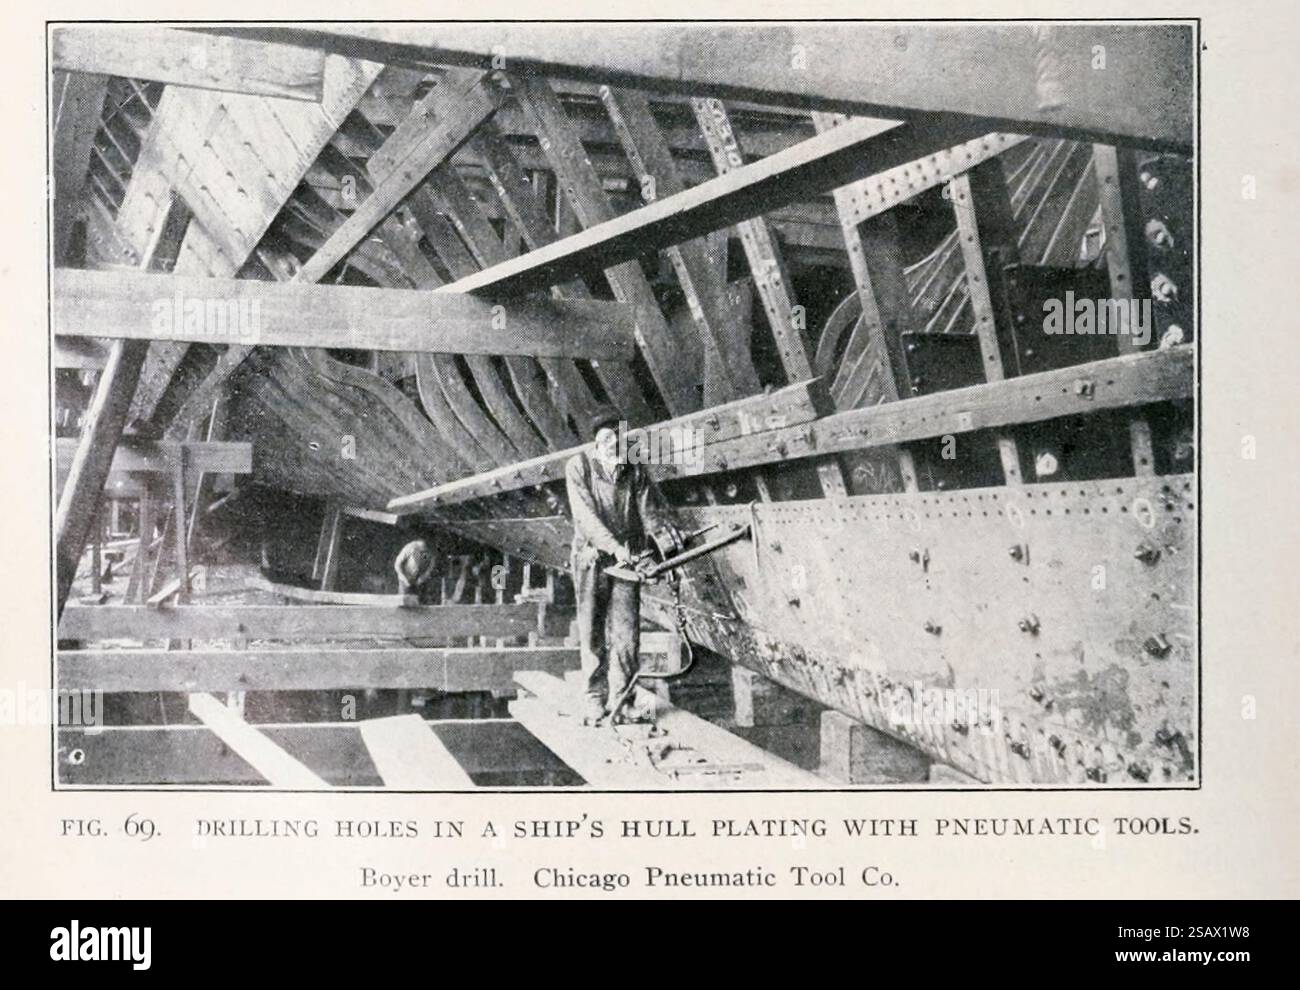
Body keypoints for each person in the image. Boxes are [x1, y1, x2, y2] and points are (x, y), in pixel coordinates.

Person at [566, 406, 676, 724]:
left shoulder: (634, 470)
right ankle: (594, 699)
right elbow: (585, 518)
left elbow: (649, 513)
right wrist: (615, 549)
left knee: (627, 635)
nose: (613, 444)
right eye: (607, 438)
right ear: (596, 443)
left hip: (627, 560)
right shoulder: (579, 467)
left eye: (618, 437)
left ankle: (622, 700)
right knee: (592, 633)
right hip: (592, 561)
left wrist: (665, 548)